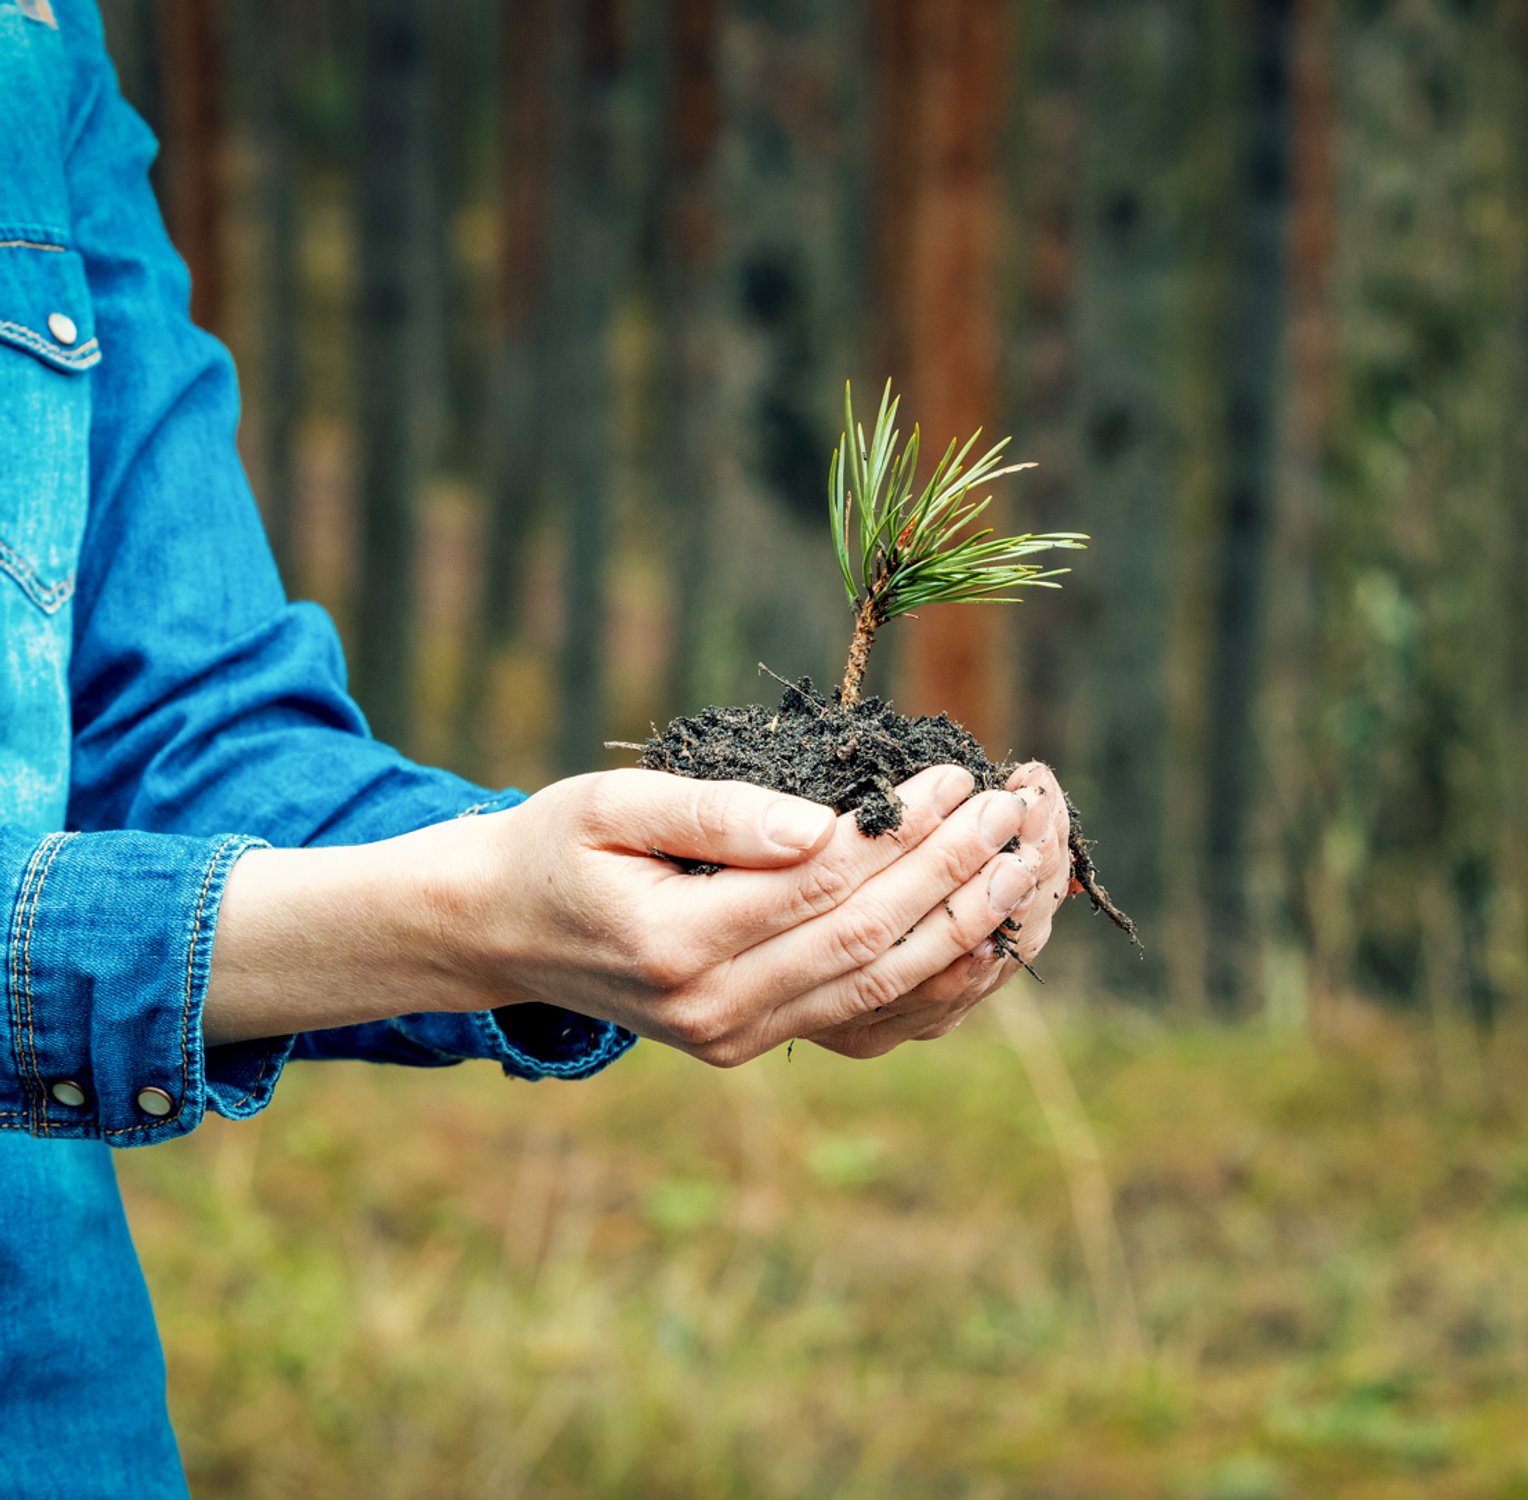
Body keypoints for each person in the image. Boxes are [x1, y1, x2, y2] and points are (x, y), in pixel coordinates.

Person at [0, 4, 1071, 1492]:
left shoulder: (40, 51)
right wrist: (469, 916)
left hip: (57, 1409)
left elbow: (189, 732)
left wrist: (602, 898)